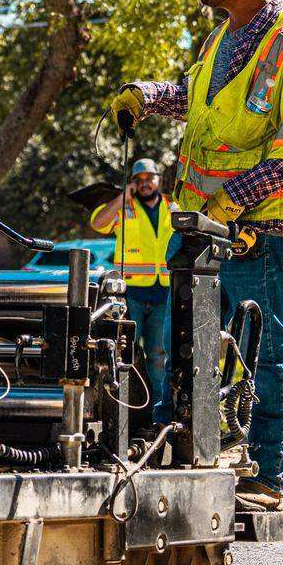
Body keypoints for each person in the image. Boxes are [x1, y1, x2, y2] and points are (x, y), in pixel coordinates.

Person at [110, 0, 283, 512]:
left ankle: (268, 475)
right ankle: (183, 454)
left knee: (267, 349)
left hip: (260, 230)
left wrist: (230, 203)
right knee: (188, 347)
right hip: (208, 226)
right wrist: (147, 96)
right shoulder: (222, 38)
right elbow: (198, 99)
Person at [89, 158, 174, 395]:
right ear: (133, 183)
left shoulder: (172, 207)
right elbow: (98, 223)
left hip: (163, 293)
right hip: (130, 295)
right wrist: (122, 198)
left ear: (159, 180)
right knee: (124, 351)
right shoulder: (124, 208)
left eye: (149, 178)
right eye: (139, 179)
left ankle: (157, 409)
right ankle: (123, 404)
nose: (145, 183)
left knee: (159, 355)